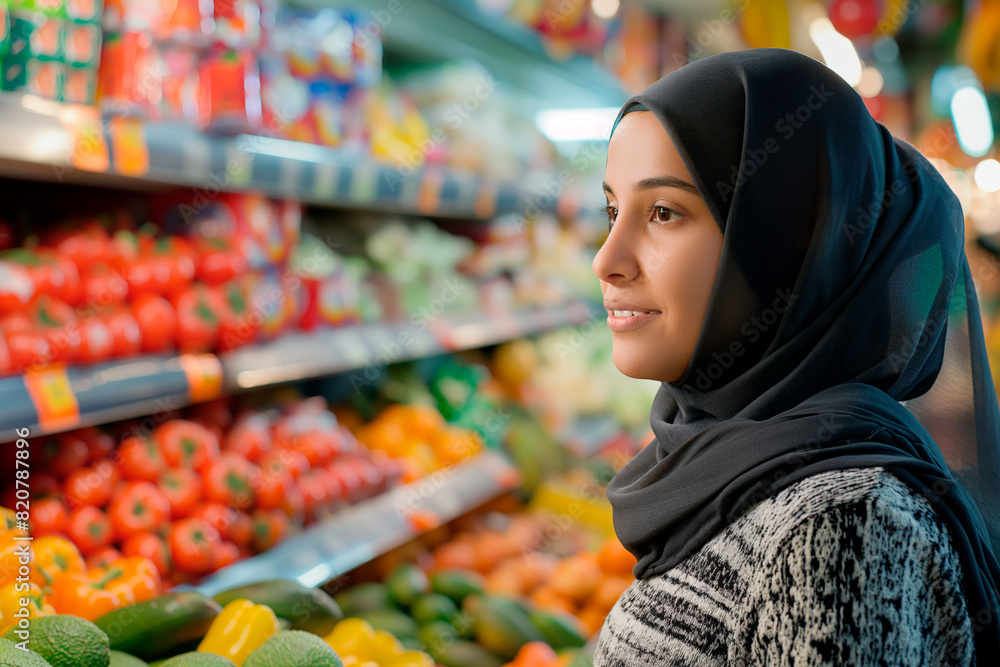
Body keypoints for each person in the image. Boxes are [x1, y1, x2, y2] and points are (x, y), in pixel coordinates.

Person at [592, 48, 1000, 666]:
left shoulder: (845, 527)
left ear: (784, 245)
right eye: (613, 211)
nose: (606, 259)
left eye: (664, 213)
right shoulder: (725, 457)